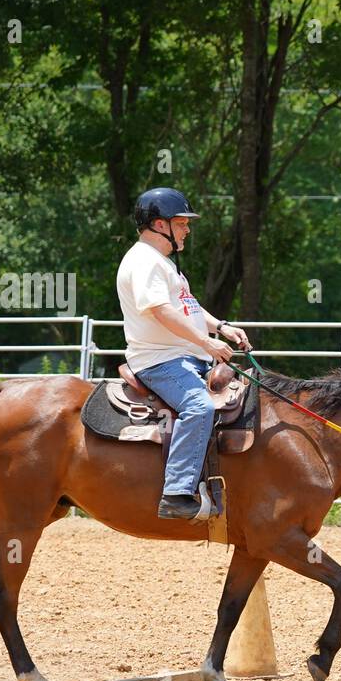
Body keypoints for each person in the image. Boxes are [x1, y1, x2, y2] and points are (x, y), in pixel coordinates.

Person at [116, 187, 252, 520]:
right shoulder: (144, 262)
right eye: (181, 223)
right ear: (159, 225)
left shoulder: (162, 264)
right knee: (198, 406)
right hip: (159, 361)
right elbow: (162, 311)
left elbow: (187, 308)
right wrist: (207, 344)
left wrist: (221, 327)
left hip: (183, 357)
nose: (187, 230)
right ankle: (176, 492)